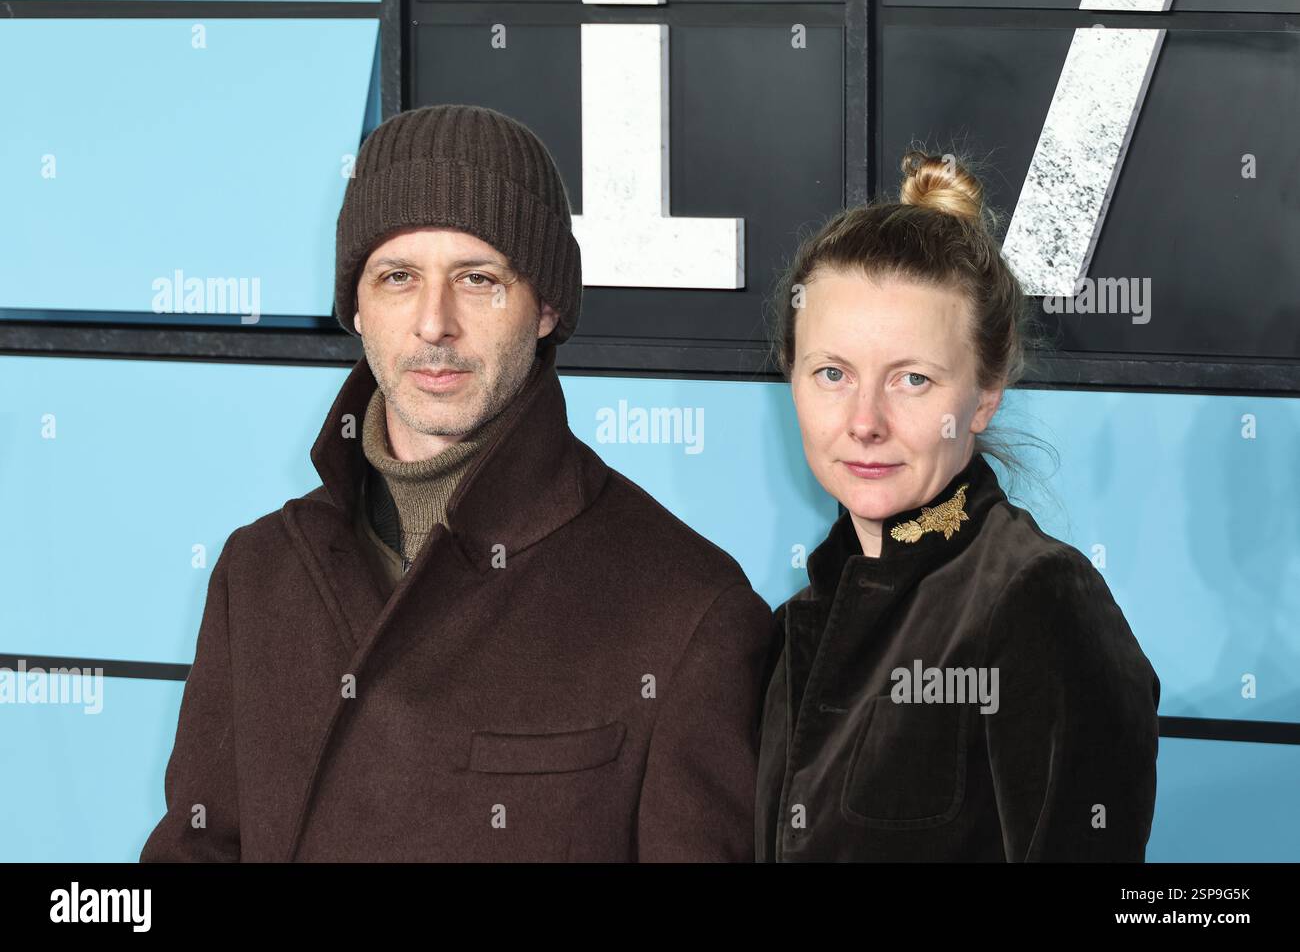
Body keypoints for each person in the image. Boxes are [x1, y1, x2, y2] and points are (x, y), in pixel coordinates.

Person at [141, 104, 773, 862]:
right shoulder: (258, 573)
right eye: (397, 277)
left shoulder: (688, 609)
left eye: (478, 279)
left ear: (546, 307)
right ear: (358, 309)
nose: (434, 323)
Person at [755, 150, 1161, 861]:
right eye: (832, 373)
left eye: (912, 379)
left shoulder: (1036, 599)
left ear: (986, 395)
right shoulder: (797, 622)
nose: (865, 421)